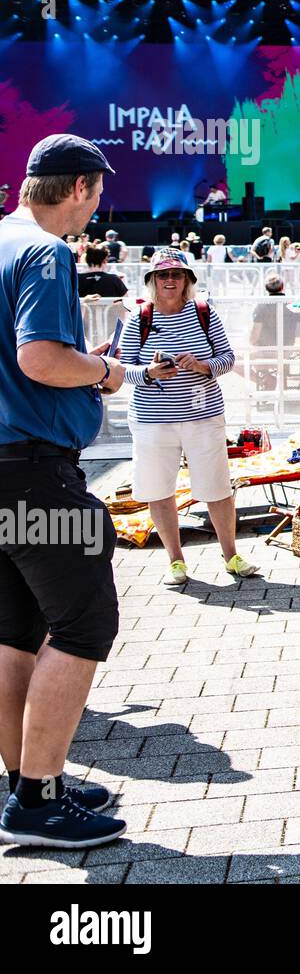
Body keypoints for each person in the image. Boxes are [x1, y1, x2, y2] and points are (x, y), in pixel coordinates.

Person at [0, 134, 128, 848]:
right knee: (82, 625)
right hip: (35, 471)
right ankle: (38, 803)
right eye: (98, 192)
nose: (97, 207)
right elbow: (41, 359)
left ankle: (26, 781)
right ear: (79, 187)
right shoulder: (46, 252)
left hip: (3, 469)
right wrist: (103, 373)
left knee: (14, 630)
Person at [115, 248, 257, 586]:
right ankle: (175, 561)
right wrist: (149, 373)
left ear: (187, 280)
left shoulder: (205, 313)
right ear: (151, 281)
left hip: (203, 417)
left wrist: (203, 366)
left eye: (176, 275)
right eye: (162, 275)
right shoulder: (140, 317)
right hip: (152, 420)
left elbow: (227, 358)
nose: (169, 280)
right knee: (159, 490)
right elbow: (122, 370)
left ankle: (231, 555)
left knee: (217, 487)